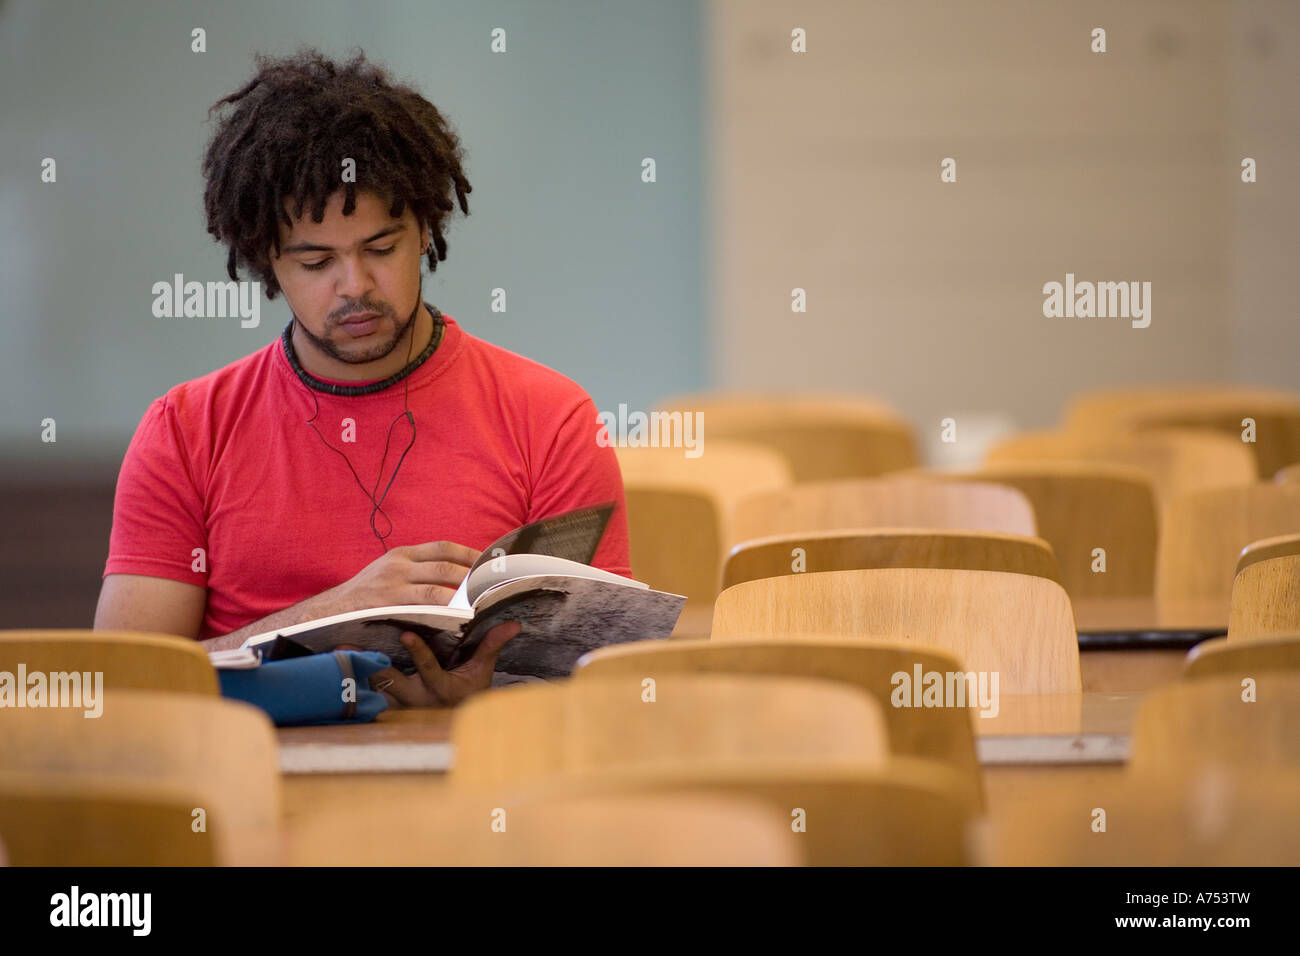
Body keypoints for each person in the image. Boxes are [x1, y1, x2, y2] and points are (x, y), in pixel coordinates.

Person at [94, 48, 631, 707]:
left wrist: (491, 694)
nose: (356, 286)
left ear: (426, 231)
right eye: (316, 261)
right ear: (267, 262)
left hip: (475, 785)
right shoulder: (184, 431)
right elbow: (123, 687)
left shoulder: (547, 416)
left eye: (381, 248)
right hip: (247, 790)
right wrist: (323, 617)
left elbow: (610, 686)